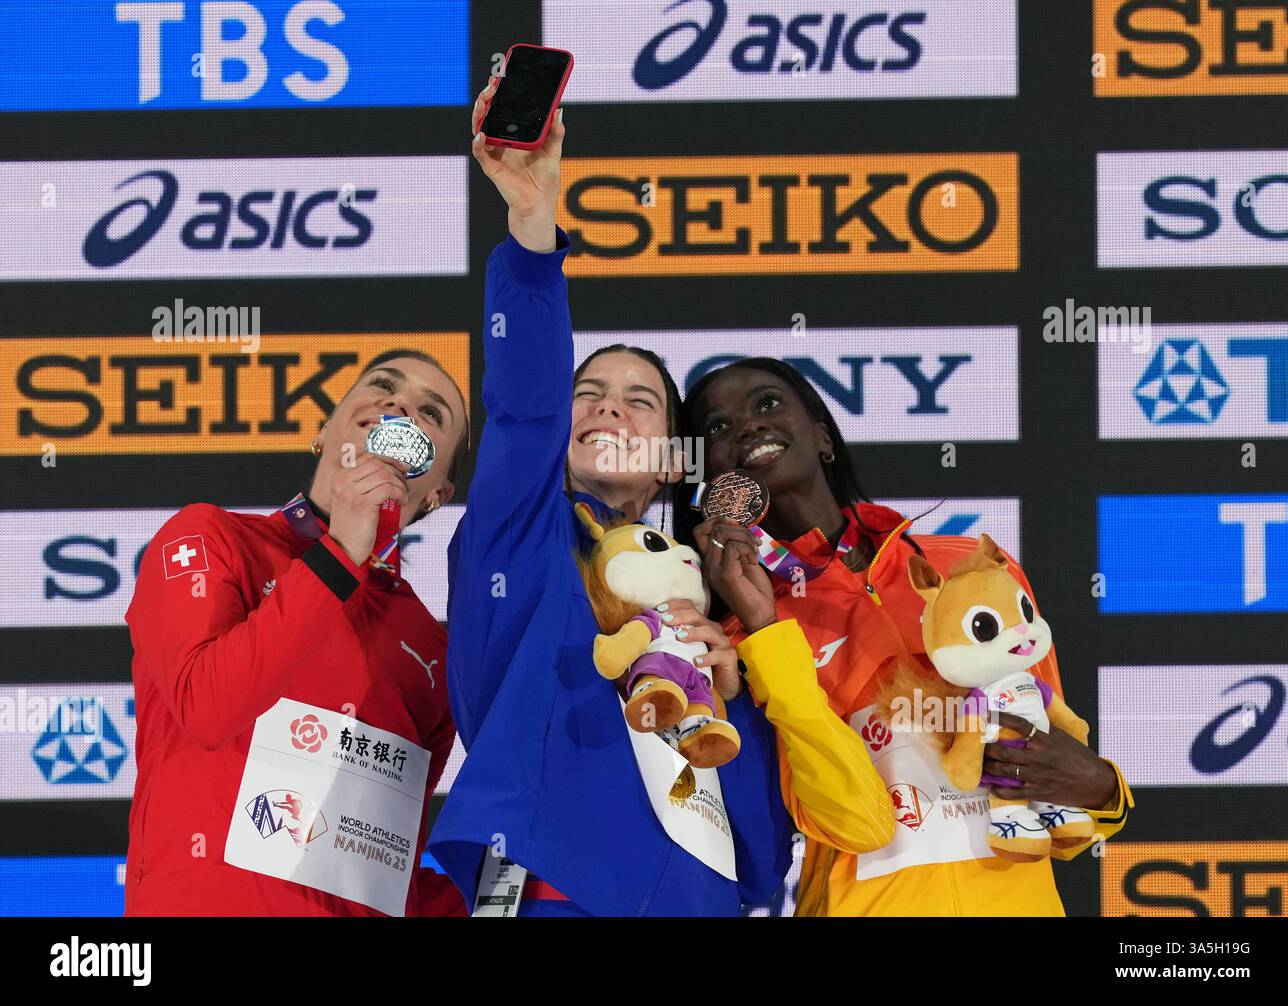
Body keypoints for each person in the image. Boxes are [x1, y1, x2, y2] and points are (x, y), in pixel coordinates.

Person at [429, 78, 891, 916]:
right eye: (590, 391)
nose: (607, 404)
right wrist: (534, 231)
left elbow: (761, 842)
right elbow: (527, 404)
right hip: (556, 896)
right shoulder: (520, 537)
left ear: (676, 462)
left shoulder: (717, 608)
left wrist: (737, 698)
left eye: (640, 399)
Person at [675, 357, 1135, 916]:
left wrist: (1103, 791)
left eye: (768, 403)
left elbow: (1049, 769)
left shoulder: (970, 568)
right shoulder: (733, 640)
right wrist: (766, 630)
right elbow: (849, 821)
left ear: (824, 438)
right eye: (717, 426)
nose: (747, 425)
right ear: (713, 483)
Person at [124, 349, 469, 916]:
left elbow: (383, 863)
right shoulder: (210, 539)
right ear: (325, 430)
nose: (401, 403)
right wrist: (340, 555)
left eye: (431, 413)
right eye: (382, 384)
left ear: (435, 494)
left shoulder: (432, 652)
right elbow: (207, 706)